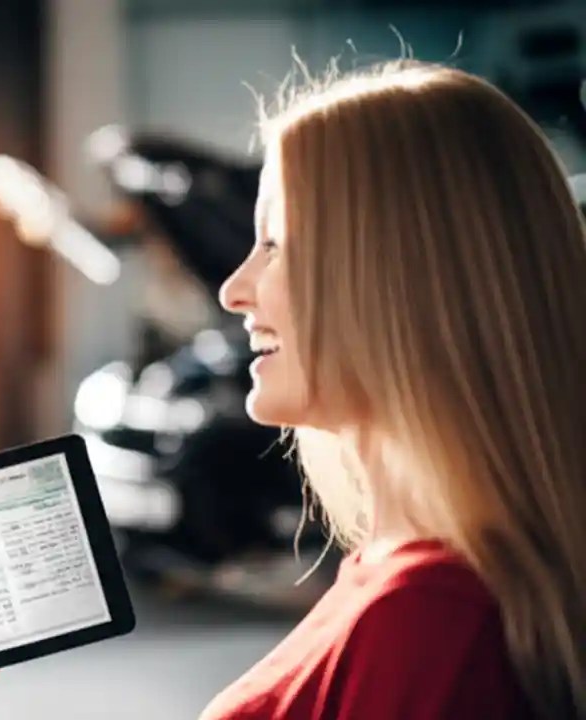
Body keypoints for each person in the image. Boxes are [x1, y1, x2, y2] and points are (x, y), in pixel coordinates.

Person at [202, 59, 586, 719]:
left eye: (276, 243)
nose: (235, 289)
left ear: (396, 280)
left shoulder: (431, 623)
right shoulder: (403, 583)